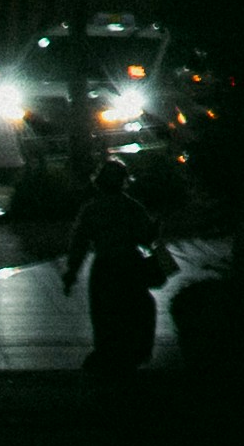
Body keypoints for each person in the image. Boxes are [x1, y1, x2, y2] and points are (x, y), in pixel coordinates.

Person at [56, 154, 167, 377]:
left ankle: (107, 353)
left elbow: (79, 242)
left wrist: (72, 272)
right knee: (133, 311)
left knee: (104, 314)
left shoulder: (92, 209)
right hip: (130, 265)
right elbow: (146, 236)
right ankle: (132, 354)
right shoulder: (132, 207)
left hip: (105, 266)